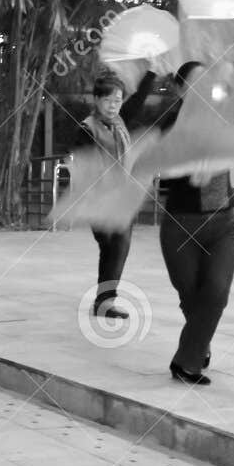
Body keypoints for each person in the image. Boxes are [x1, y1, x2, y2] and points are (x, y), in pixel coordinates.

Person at [132, 19, 234, 386]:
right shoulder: (168, 122)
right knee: (192, 298)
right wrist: (149, 75)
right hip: (181, 227)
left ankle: (186, 362)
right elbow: (135, 120)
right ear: (180, 89)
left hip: (222, 224)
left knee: (216, 294)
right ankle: (197, 345)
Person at [83, 73, 134, 319]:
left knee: (114, 250)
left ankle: (104, 302)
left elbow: (139, 100)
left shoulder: (120, 124)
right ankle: (104, 301)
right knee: (115, 247)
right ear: (96, 99)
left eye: (118, 100)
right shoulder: (87, 128)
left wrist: (151, 72)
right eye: (107, 100)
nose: (113, 106)